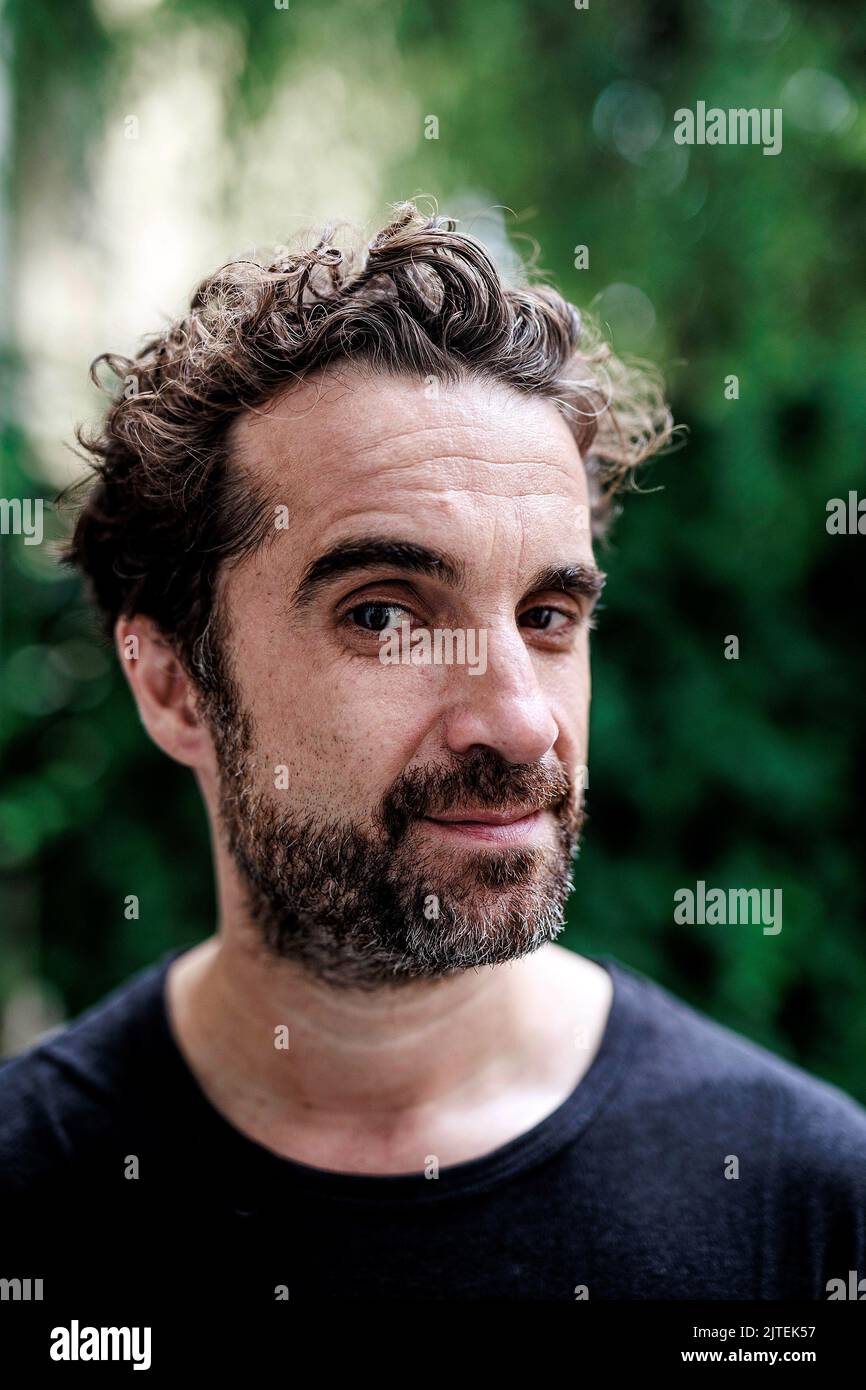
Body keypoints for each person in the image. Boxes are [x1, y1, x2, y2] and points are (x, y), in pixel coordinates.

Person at [1, 201, 863, 1303]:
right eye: (383, 616)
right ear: (172, 683)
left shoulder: (803, 1212)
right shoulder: (33, 1197)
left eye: (547, 615)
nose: (518, 722)